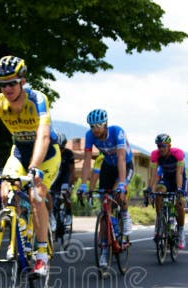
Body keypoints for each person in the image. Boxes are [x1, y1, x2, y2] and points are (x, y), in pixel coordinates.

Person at [0, 55, 60, 276]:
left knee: (37, 193)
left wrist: (35, 166)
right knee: (6, 190)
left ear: (23, 81)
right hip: (19, 151)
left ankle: (42, 255)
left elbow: (44, 136)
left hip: (45, 153)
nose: (7, 88)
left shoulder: (38, 99)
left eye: (11, 83)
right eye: (2, 84)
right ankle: (20, 231)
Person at [78, 109, 134, 267]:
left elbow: (122, 158)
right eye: (92, 126)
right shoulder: (89, 135)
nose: (95, 129)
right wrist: (84, 184)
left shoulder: (117, 132)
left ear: (105, 124)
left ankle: (124, 214)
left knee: (118, 193)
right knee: (105, 206)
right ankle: (104, 249)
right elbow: (87, 161)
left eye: (98, 125)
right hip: (108, 167)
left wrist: (122, 184)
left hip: (125, 166)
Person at [148, 133, 186, 248]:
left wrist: (179, 189)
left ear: (169, 145)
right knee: (159, 191)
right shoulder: (155, 155)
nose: (161, 149)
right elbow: (154, 176)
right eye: (159, 146)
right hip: (167, 179)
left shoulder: (177, 153)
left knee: (179, 205)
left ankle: (180, 232)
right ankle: (160, 221)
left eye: (163, 146)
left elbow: (179, 173)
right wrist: (150, 190)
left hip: (179, 179)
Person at [49, 132, 75, 232]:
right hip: (54, 178)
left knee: (65, 194)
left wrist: (70, 184)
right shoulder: (51, 152)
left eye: (62, 148)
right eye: (58, 147)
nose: (60, 150)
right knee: (50, 196)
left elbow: (72, 170)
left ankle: (68, 212)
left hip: (65, 178)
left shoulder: (69, 154)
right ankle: (52, 216)